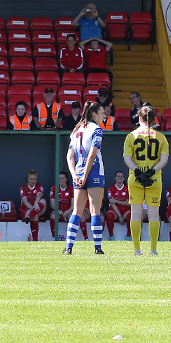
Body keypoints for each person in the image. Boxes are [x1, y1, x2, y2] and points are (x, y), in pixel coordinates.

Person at [122, 104, 169, 255]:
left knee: (135, 214)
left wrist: (138, 172)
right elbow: (164, 160)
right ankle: (153, 249)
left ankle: (137, 249)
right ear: (155, 118)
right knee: (153, 214)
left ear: (139, 118)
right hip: (154, 179)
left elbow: (127, 158)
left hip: (135, 179)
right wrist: (150, 172)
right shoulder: (161, 137)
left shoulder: (131, 136)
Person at [63, 101, 107, 254]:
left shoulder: (76, 130)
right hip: (94, 171)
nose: (104, 115)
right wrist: (86, 174)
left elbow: (69, 156)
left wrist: (75, 175)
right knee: (95, 210)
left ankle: (68, 247)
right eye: (102, 113)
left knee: (77, 211)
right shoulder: (97, 130)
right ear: (94, 114)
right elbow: (92, 154)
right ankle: (97, 248)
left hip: (79, 172)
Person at [19, 170, 48, 242]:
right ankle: (35, 239)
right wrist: (33, 209)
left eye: (34, 179)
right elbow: (25, 201)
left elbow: (39, 195)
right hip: (26, 210)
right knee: (35, 215)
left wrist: (35, 203)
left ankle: (30, 216)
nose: (33, 181)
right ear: (27, 179)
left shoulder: (39, 187)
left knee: (43, 201)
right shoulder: (23, 188)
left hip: (36, 209)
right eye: (31, 179)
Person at [105, 172, 130, 241]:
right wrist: (120, 216)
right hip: (114, 210)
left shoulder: (128, 188)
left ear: (124, 179)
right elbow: (112, 203)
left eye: (122, 176)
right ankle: (111, 236)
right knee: (109, 215)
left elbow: (129, 203)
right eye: (118, 176)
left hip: (125, 209)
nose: (120, 178)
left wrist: (117, 201)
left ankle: (128, 236)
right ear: (115, 178)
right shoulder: (111, 188)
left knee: (131, 215)